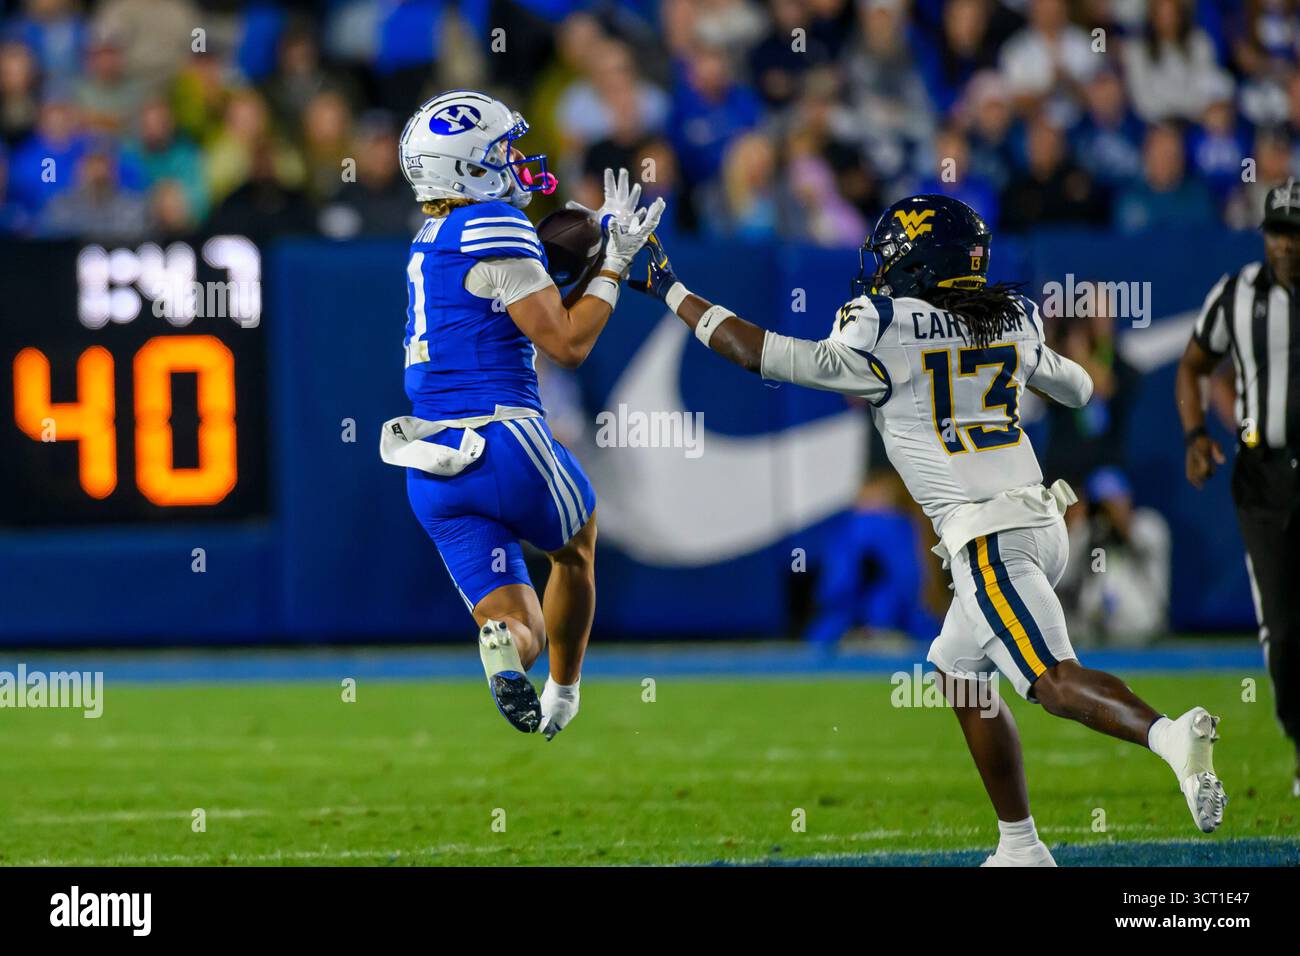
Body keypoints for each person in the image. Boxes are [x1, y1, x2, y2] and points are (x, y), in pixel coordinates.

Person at [632, 194, 1226, 865]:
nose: (880, 273)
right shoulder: (1014, 315)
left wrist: (670, 289)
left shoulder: (882, 323)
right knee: (957, 672)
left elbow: (759, 353)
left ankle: (1170, 737)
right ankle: (1020, 847)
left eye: (890, 259)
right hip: (1039, 522)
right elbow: (1082, 391)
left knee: (1053, 682)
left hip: (988, 538)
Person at [382, 90, 662, 738]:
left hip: (431, 464)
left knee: (519, 624)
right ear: (466, 168)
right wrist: (614, 262)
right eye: (499, 150)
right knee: (578, 544)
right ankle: (565, 692)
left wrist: (586, 230)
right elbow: (565, 342)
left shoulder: (431, 239)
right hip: (503, 437)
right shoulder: (494, 225)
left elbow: (509, 289)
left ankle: (503, 648)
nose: (513, 159)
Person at [1177, 178, 1300, 797]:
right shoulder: (1236, 295)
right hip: (1265, 479)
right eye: (1278, 233)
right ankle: (1299, 735)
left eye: (1296, 235)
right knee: (1282, 630)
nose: (1286, 246)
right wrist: (1199, 433)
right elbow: (1196, 364)